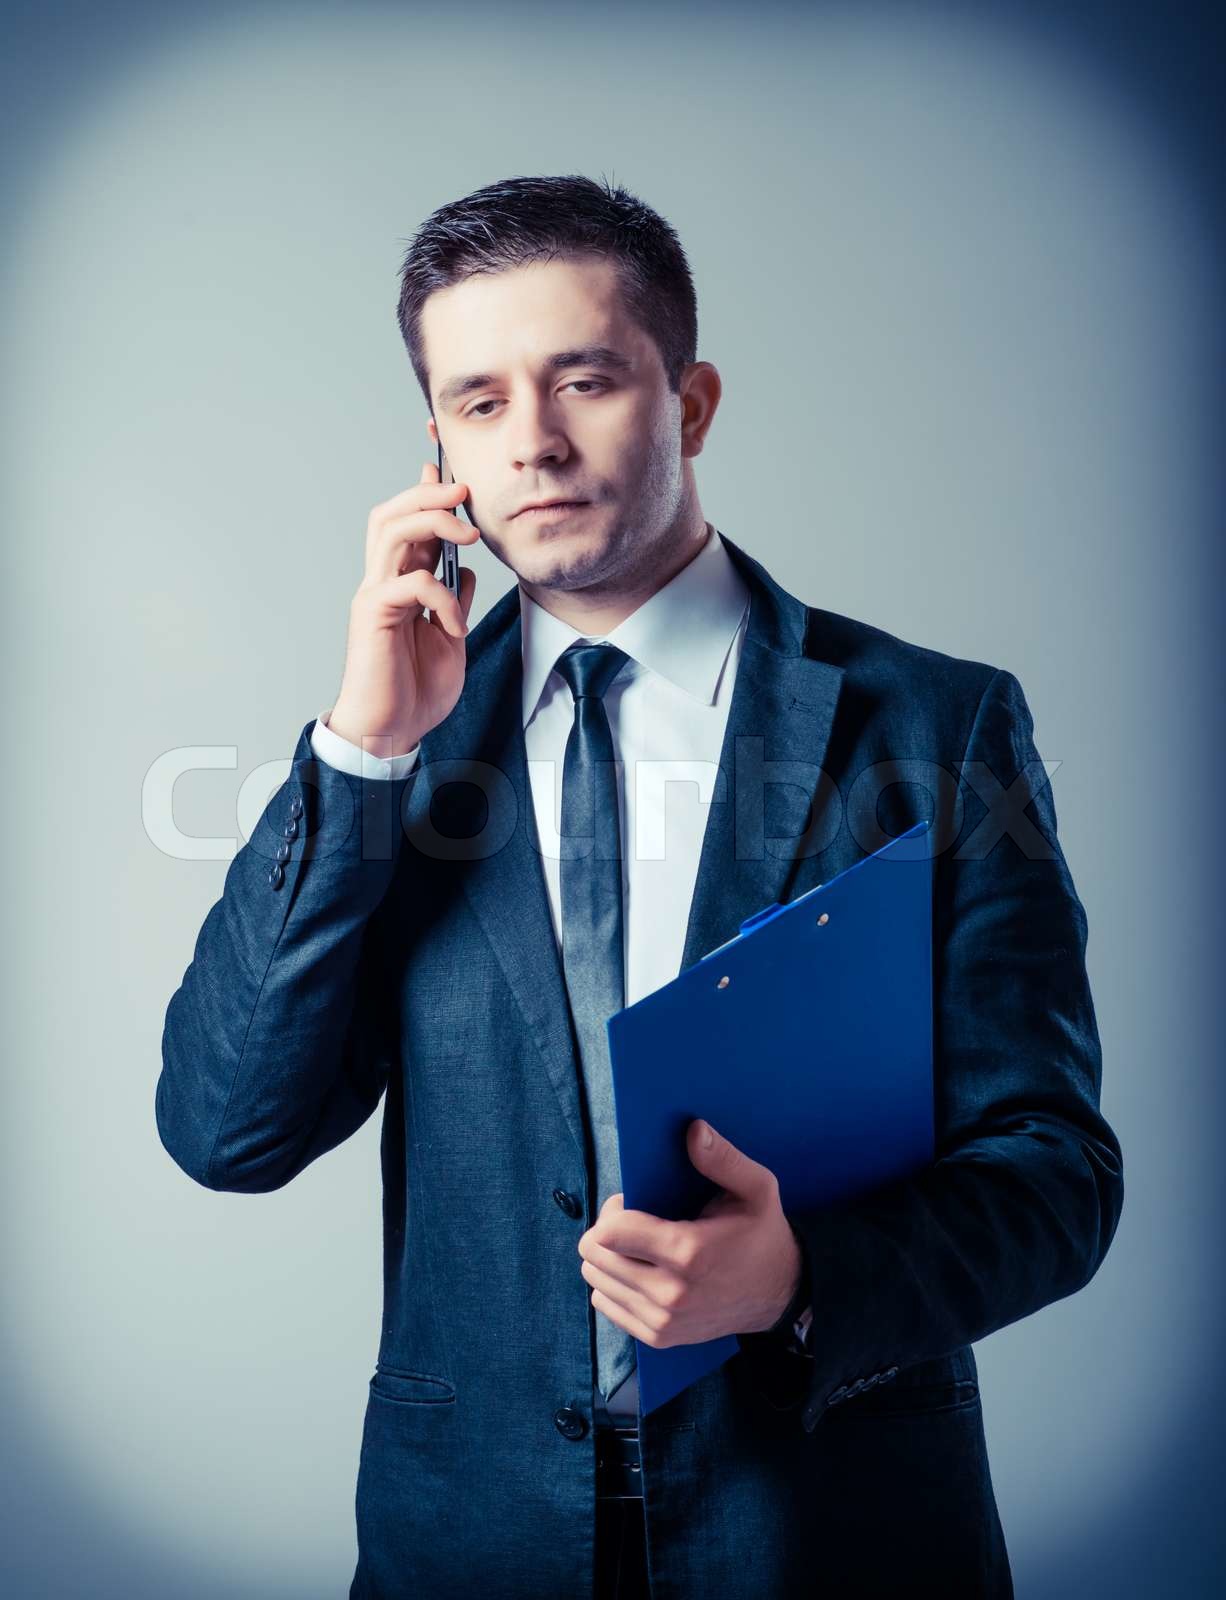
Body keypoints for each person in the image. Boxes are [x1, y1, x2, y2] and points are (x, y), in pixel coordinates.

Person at [156, 174, 1124, 1599]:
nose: (534, 443)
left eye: (584, 381)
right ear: (439, 452)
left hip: (830, 1532)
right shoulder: (396, 753)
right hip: (473, 1536)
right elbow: (226, 1130)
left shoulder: (934, 724)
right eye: (479, 402)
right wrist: (361, 751)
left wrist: (801, 1277)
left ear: (692, 403)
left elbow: (1055, 1171)